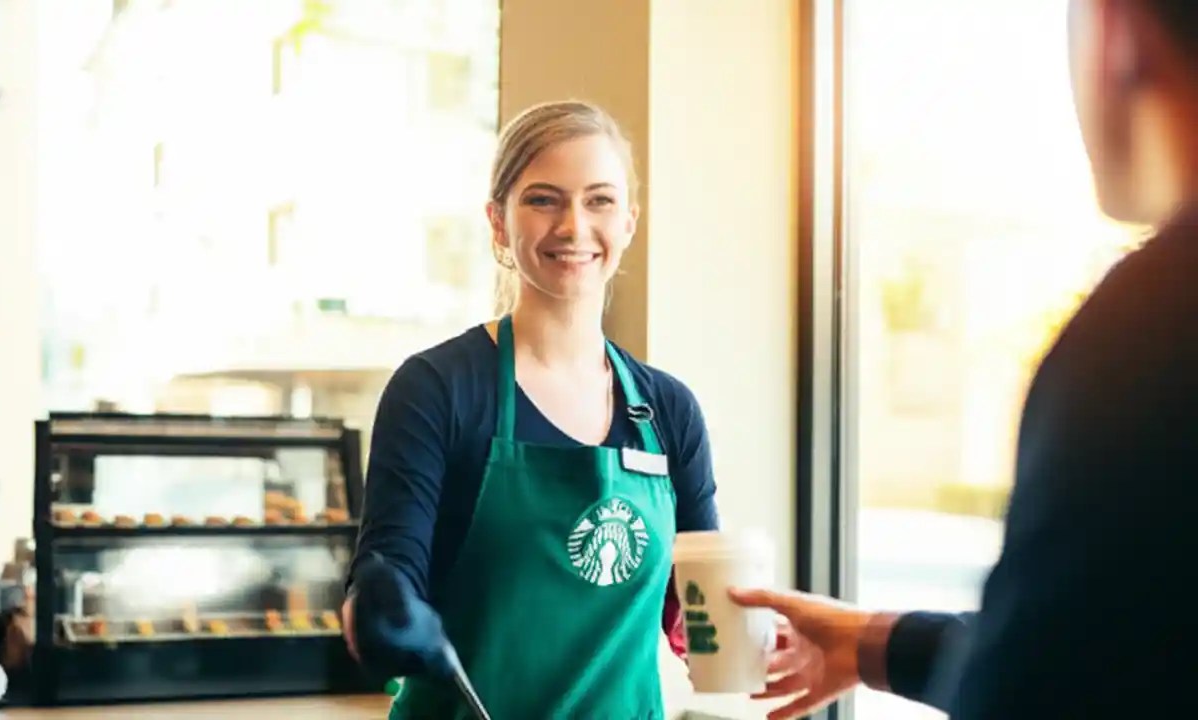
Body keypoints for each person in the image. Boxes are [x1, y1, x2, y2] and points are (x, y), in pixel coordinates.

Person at [731, 1, 1198, 718]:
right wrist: (876, 640)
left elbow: (1039, 695)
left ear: (1116, 32)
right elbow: (1120, 650)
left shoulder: (1146, 334)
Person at [341, 100, 720, 718]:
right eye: (544, 199)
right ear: (498, 222)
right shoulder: (438, 389)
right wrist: (384, 616)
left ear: (629, 221)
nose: (573, 226)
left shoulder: (668, 410)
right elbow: (389, 572)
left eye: (599, 200)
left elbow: (699, 614)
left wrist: (763, 635)